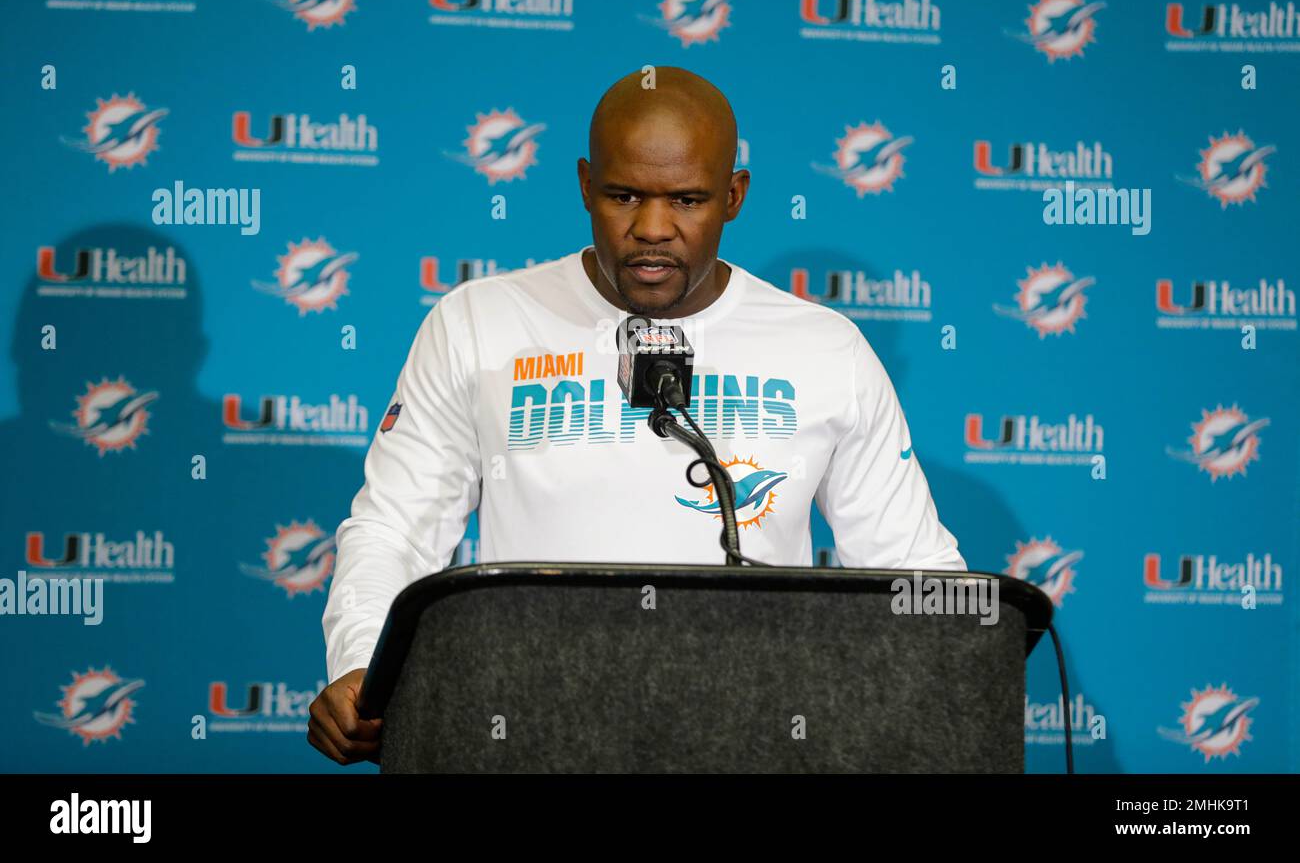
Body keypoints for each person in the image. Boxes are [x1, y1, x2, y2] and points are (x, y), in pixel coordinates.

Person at [307, 66, 964, 766]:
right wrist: (360, 664)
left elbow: (914, 570)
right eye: (624, 195)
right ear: (586, 185)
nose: (653, 230)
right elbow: (395, 528)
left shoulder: (826, 347)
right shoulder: (481, 323)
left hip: (752, 745)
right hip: (525, 742)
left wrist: (958, 685)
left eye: (687, 199)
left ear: (735, 197)